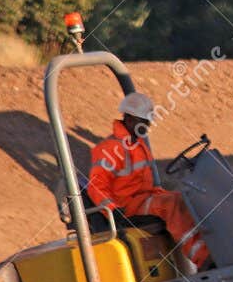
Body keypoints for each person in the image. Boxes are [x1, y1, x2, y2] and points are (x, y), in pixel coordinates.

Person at [88, 92, 211, 270]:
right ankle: (203, 259)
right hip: (127, 207)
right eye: (143, 121)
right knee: (173, 204)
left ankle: (213, 248)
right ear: (129, 119)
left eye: (148, 121)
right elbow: (96, 185)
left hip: (146, 198)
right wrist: (112, 211)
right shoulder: (109, 149)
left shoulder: (137, 145)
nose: (147, 125)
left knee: (189, 198)